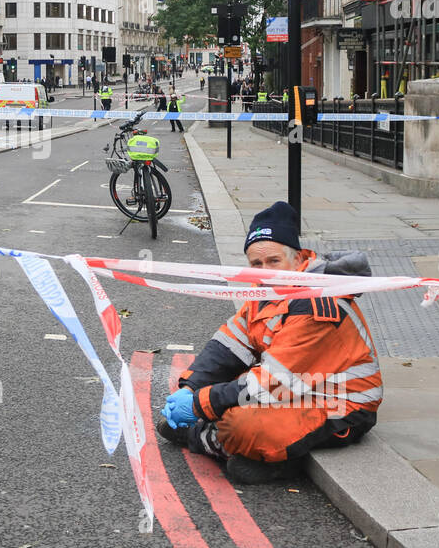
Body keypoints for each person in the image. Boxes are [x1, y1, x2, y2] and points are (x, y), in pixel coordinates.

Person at [156, 201, 382, 485]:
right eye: (256, 264)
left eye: (273, 261)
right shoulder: (265, 291)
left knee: (243, 424)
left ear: (298, 259)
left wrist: (200, 406)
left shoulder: (317, 304)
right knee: (228, 397)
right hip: (295, 387)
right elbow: (228, 346)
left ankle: (203, 437)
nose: (264, 271)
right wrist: (192, 387)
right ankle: (240, 448)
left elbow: (273, 381)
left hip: (342, 405)